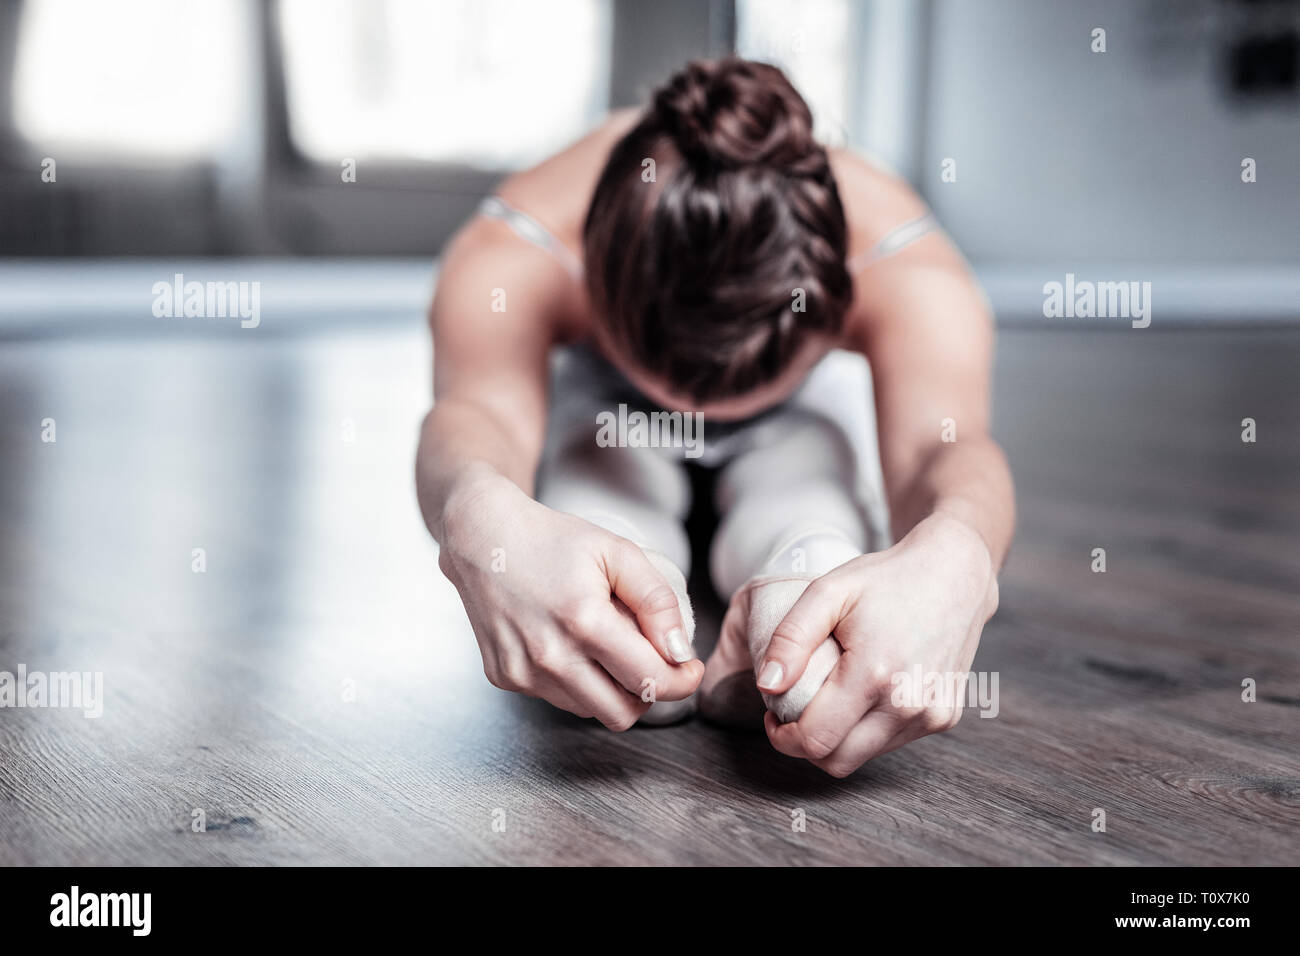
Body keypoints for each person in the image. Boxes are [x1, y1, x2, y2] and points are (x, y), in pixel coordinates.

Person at [416, 58, 1014, 778]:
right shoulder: (515, 255)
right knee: (595, 467)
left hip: (798, 429)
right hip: (608, 425)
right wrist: (476, 509)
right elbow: (482, 417)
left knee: (808, 472)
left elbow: (939, 452)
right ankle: (627, 582)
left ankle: (806, 578)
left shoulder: (910, 272)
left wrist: (961, 553)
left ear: (834, 302)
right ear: (590, 277)